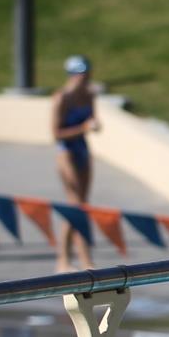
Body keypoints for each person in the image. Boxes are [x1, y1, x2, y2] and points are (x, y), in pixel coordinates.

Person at [51, 54, 98, 271]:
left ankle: (81, 259)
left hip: (82, 149)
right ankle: (66, 260)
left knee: (82, 205)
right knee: (75, 204)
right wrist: (83, 128)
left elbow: (93, 122)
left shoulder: (89, 95)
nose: (84, 79)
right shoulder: (61, 98)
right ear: (72, 75)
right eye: (81, 75)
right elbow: (56, 133)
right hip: (66, 153)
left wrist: (94, 126)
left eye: (86, 74)